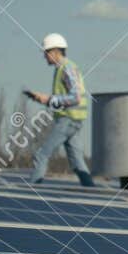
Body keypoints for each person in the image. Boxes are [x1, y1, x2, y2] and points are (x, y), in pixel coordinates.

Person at [25, 32, 95, 187]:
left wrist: (49, 99)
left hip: (68, 120)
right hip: (73, 120)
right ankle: (92, 191)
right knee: (77, 162)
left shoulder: (66, 69)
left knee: (41, 155)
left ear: (56, 51)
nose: (44, 56)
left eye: (46, 52)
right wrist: (43, 99)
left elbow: (75, 97)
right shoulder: (63, 68)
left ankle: (33, 192)